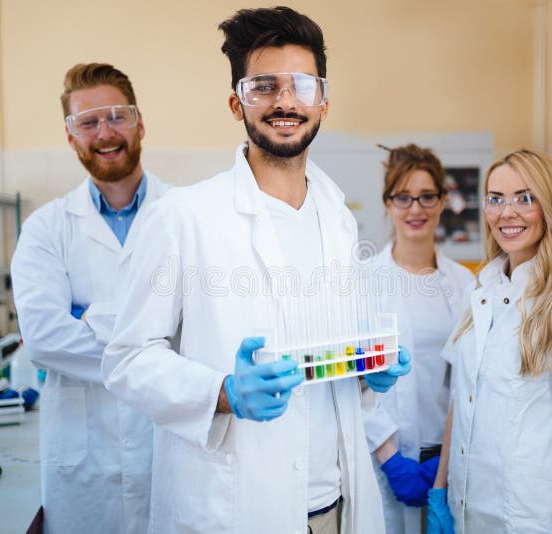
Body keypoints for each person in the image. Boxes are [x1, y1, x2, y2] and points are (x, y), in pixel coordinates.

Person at [102, 7, 410, 534]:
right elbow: (127, 358)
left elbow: (328, 354)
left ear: (323, 102)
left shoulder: (337, 218)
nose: (285, 102)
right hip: (235, 509)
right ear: (236, 103)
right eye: (264, 87)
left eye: (302, 86)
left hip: (336, 506)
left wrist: (367, 373)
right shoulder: (183, 217)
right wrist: (223, 391)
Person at [11, 63, 171, 534]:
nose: (105, 132)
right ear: (70, 136)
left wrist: (87, 319)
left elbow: (200, 329)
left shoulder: (184, 216)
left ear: (140, 123)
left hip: (168, 454)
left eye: (117, 116)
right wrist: (154, 337)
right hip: (83, 474)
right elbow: (43, 340)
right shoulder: (45, 229)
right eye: (88, 122)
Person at [426, 149, 552, 534]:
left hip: (526, 521)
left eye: (524, 198)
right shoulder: (478, 292)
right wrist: (440, 489)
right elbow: (461, 400)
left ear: (549, 208)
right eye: (495, 199)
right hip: (466, 512)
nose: (506, 212)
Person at [364, 145, 474, 533]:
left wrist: (448, 459)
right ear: (388, 203)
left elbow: (472, 379)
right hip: (386, 456)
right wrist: (390, 458)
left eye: (427, 196)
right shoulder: (364, 281)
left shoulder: (463, 283)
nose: (416, 208)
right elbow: (353, 381)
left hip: (449, 456)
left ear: (442, 201)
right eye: (403, 197)